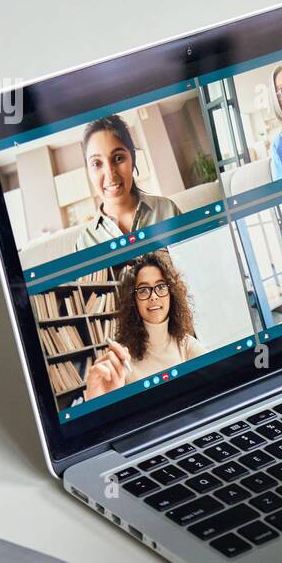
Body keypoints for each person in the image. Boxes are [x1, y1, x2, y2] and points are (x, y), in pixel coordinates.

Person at [83, 251, 205, 400]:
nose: (153, 296)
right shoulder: (121, 359)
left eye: (160, 287)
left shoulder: (187, 345)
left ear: (171, 293)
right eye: (143, 289)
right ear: (134, 301)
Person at [75, 114, 180, 251]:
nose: (110, 175)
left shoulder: (167, 210)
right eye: (97, 163)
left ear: (133, 159)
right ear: (89, 172)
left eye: (118, 158)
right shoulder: (86, 242)